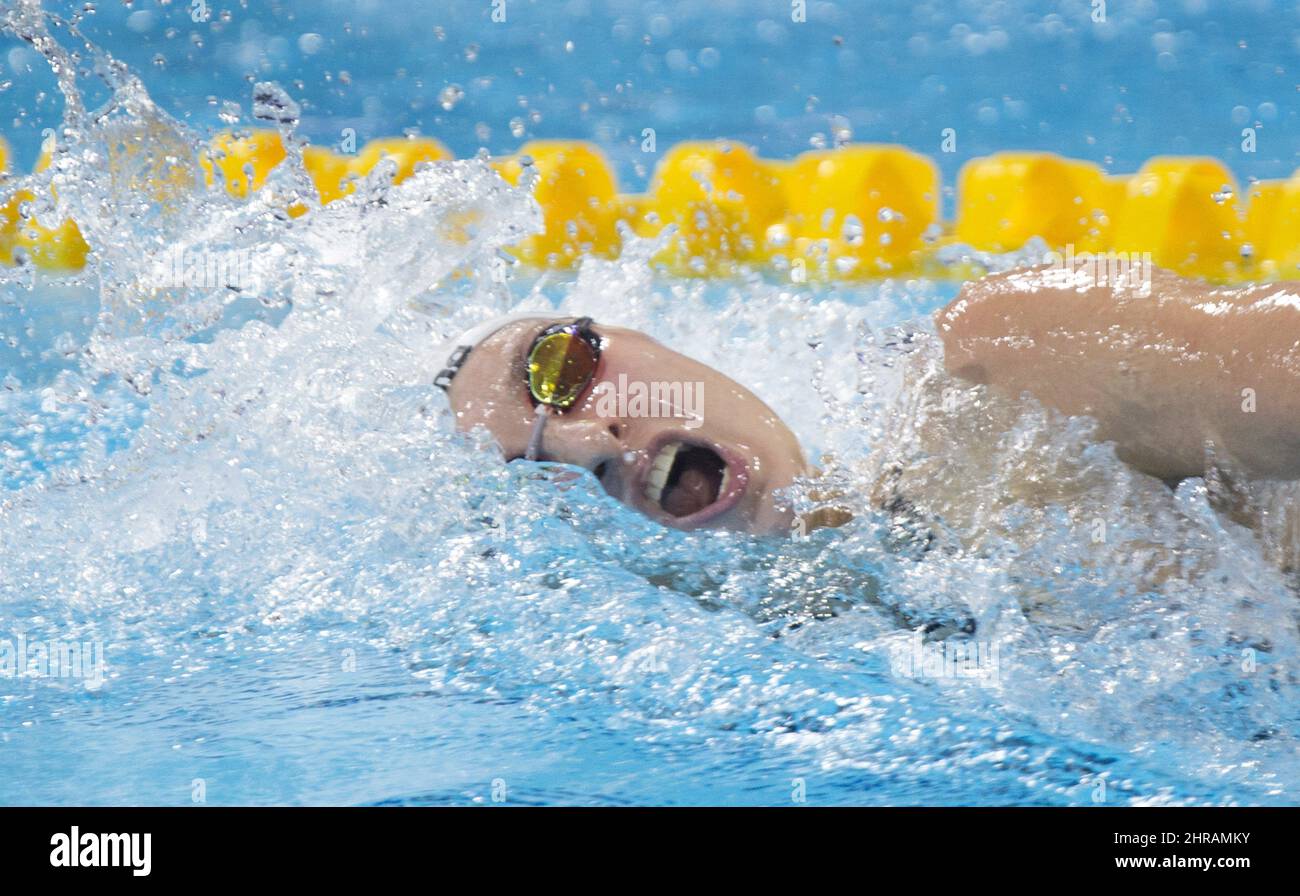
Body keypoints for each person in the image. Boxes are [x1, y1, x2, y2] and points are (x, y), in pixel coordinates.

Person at [437, 264, 1300, 534]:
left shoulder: (1002, 378)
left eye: (557, 372)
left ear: (641, 337)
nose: (594, 440)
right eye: (537, 469)